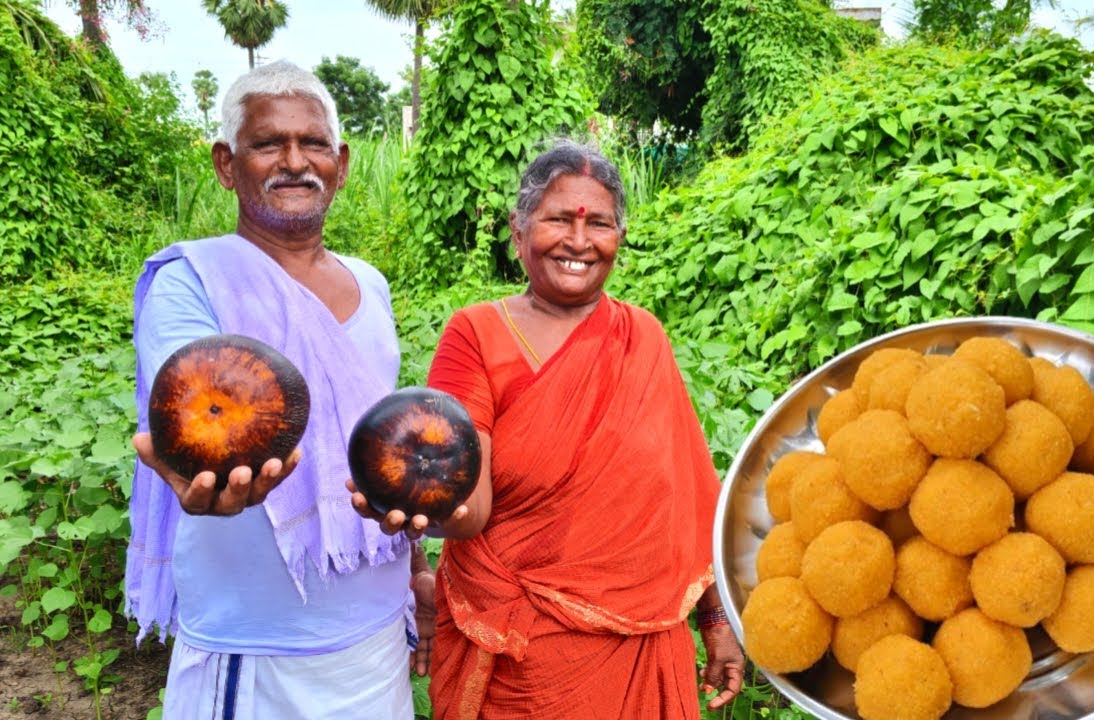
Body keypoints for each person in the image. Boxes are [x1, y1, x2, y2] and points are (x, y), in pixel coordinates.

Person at [351, 141, 746, 719]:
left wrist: (716, 620)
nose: (579, 242)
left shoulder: (643, 338)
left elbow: (687, 500)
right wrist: (427, 505)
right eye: (558, 219)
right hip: (516, 654)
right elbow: (472, 504)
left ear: (619, 236)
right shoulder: (477, 335)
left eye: (600, 224)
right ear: (518, 229)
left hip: (635, 647)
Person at [124, 60, 433, 720]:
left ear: (342, 162)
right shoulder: (192, 283)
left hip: (375, 636)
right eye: (268, 143)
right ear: (227, 165)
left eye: (313, 143)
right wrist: (192, 471)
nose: (295, 161)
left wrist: (415, 570)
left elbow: (373, 446)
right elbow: (192, 421)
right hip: (254, 646)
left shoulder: (371, 286)